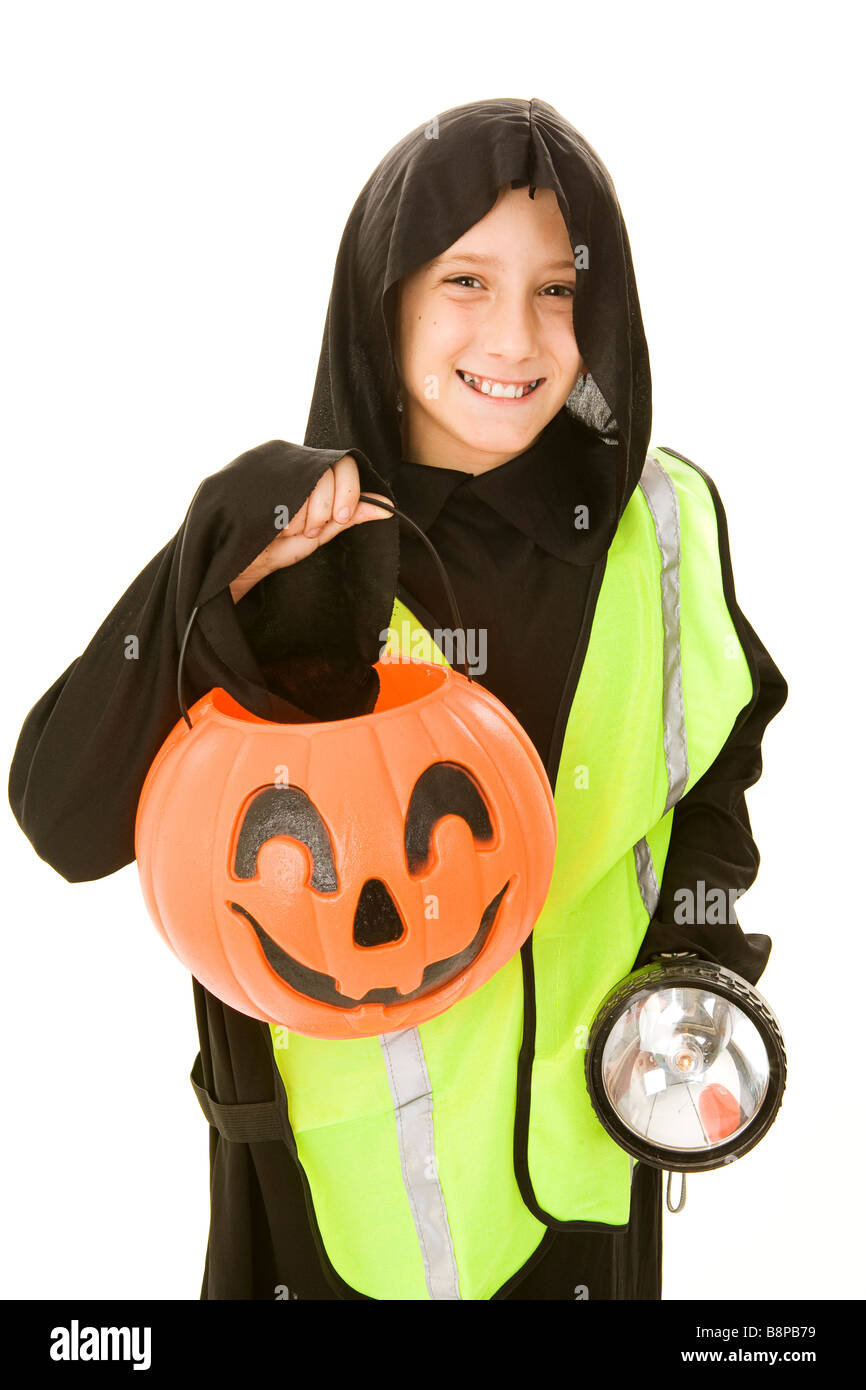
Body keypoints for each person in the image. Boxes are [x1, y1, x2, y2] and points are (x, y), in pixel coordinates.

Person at [8, 97, 787, 1300]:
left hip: (589, 1166)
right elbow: (63, 818)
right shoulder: (295, 555)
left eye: (556, 289)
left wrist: (692, 975)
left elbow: (708, 775)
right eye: (464, 281)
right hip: (328, 1205)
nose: (514, 338)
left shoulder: (665, 523)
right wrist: (200, 564)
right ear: (383, 300)